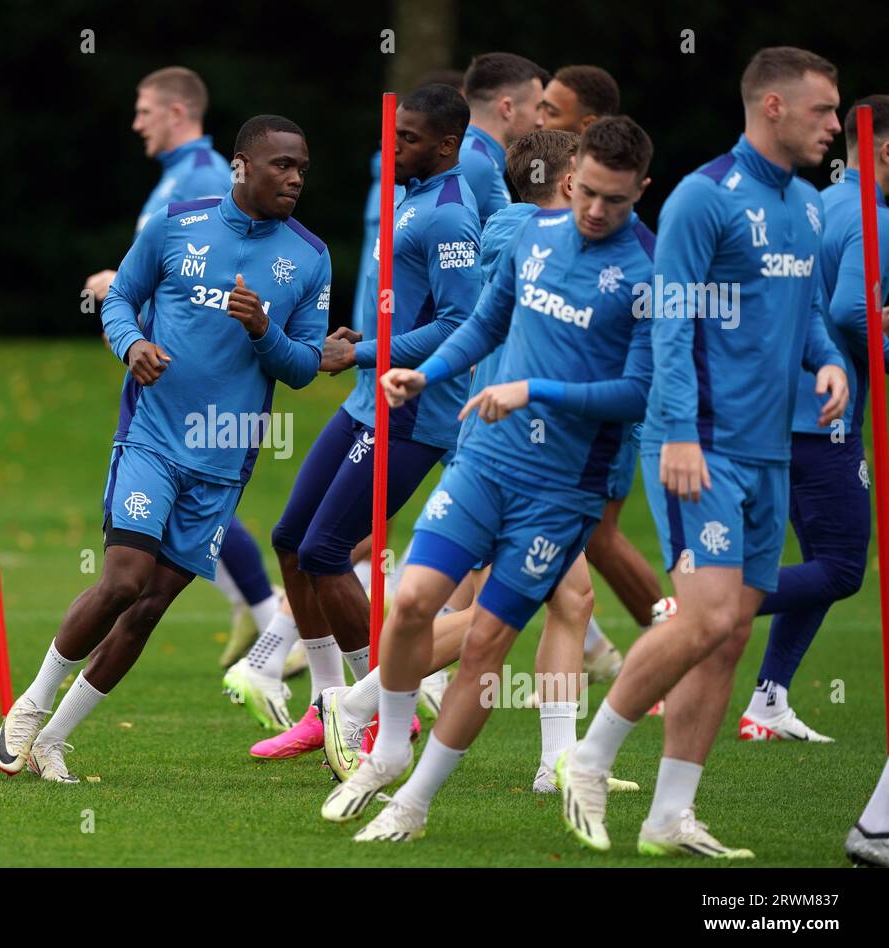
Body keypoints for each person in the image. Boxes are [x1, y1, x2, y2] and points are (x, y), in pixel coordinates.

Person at [322, 117, 658, 842]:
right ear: (572, 180)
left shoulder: (647, 275)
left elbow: (637, 392)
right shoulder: (532, 238)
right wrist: (426, 372)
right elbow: (482, 323)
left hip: (562, 488)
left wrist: (536, 391)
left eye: (617, 202)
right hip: (485, 457)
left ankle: (414, 806)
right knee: (412, 601)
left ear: (642, 192)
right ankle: (385, 750)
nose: (598, 212)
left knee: (487, 646)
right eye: (589, 194)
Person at [557, 47, 848, 859]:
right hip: (703, 442)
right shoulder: (701, 198)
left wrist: (824, 357)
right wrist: (678, 432)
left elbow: (809, 307)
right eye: (824, 110)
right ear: (775, 108)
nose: (835, 125)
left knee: (731, 635)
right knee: (708, 614)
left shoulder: (810, 207)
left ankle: (668, 816)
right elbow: (669, 323)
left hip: (771, 451)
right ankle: (591, 755)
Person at [0, 115, 331, 783]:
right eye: (281, 165)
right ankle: (31, 704)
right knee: (122, 582)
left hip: (224, 459)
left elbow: (302, 365)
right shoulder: (180, 222)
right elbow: (120, 298)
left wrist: (264, 330)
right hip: (152, 437)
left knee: (148, 609)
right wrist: (132, 344)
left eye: (302, 168)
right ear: (242, 167)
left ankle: (55, 740)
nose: (294, 178)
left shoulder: (310, 256)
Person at [222, 85, 481, 758]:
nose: (393, 148)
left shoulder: (451, 216)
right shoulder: (406, 197)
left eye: (409, 139)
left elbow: (460, 326)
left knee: (325, 552)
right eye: (393, 135)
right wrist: (363, 341)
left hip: (413, 411)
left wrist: (361, 351)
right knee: (290, 540)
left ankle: (382, 709)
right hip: (366, 398)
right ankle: (327, 705)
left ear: (447, 146)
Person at [81, 66, 290, 673]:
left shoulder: (201, 178)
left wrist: (117, 290)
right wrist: (124, 298)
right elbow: (159, 272)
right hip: (161, 369)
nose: (136, 122)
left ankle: (271, 618)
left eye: (145, 111)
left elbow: (206, 283)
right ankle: (263, 616)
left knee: (189, 490)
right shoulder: (178, 176)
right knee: (180, 497)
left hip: (196, 380)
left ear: (176, 112)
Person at [741, 95, 889, 742]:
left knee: (820, 558)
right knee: (842, 567)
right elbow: (855, 310)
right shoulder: (873, 216)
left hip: (781, 409)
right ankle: (704, 606)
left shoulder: (817, 204)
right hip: (822, 414)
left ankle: (768, 700)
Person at [537, 64, 668, 680]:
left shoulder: (640, 254)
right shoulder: (550, 231)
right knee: (568, 579)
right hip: (537, 439)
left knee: (599, 543)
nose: (540, 120)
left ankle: (673, 642)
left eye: (551, 112)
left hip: (594, 431)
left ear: (586, 129)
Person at [458, 52, 548, 226]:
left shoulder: (475, 154)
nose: (541, 121)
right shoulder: (473, 159)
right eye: (538, 107)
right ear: (507, 108)